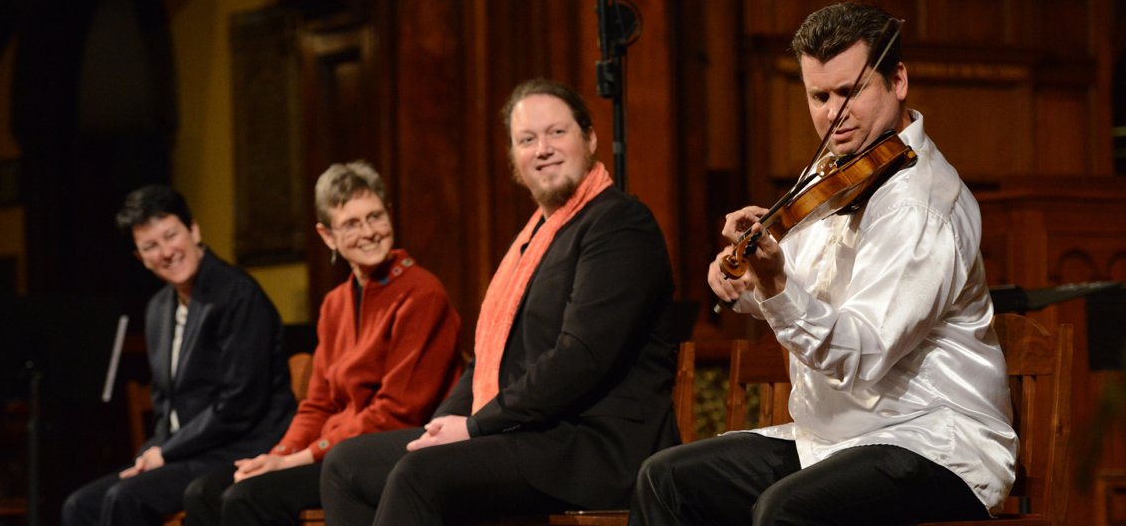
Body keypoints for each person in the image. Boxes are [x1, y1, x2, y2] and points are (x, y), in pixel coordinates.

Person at [630, 2, 1016, 525]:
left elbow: (863, 354)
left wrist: (775, 284)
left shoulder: (921, 203)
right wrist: (740, 276)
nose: (834, 113)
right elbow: (799, 288)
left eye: (851, 91)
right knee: (667, 480)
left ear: (898, 80)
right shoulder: (838, 177)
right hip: (835, 439)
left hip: (934, 443)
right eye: (820, 96)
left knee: (784, 512)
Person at [319, 78, 678, 526]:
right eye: (527, 139)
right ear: (514, 159)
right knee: (345, 465)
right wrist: (443, 424)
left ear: (589, 138)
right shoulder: (533, 240)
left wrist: (473, 427)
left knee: (419, 474)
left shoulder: (619, 224)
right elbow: (492, 357)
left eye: (557, 132)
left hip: (595, 446)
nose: (542, 148)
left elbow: (581, 357)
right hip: (534, 433)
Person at [182, 162, 463, 526]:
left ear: (390, 216)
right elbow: (317, 404)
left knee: (247, 499)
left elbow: (395, 413)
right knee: (203, 492)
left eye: (375, 217)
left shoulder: (422, 293)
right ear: (327, 236)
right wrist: (278, 455)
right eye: (351, 223)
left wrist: (296, 460)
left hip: (387, 455)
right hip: (331, 452)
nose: (368, 232)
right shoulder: (335, 303)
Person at [63, 185, 296, 526]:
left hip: (240, 447)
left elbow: (238, 406)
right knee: (78, 506)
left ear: (194, 230)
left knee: (124, 498)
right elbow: (165, 405)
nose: (166, 252)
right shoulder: (158, 308)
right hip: (185, 452)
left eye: (171, 235)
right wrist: (151, 452)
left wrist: (166, 452)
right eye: (150, 247)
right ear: (140, 258)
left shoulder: (237, 295)